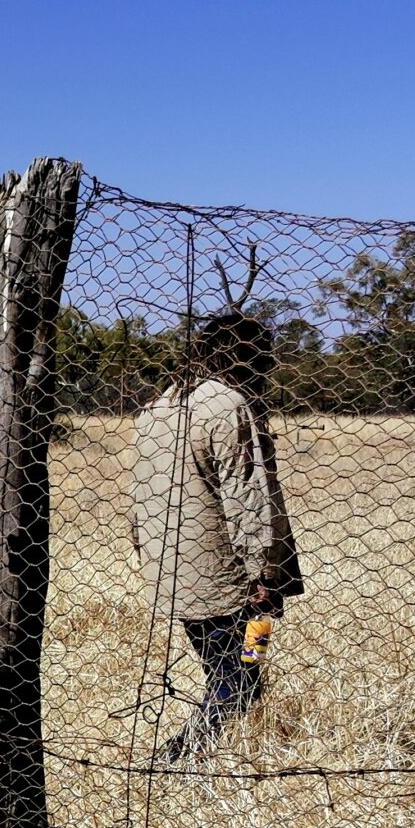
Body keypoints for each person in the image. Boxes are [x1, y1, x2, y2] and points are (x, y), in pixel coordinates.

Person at [130, 312, 304, 760]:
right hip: (227, 575)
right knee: (241, 679)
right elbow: (249, 500)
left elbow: (135, 492)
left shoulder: (160, 405)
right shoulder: (229, 406)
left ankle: (225, 748)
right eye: (263, 358)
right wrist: (264, 573)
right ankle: (180, 757)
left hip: (170, 568)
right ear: (250, 358)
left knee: (233, 670)